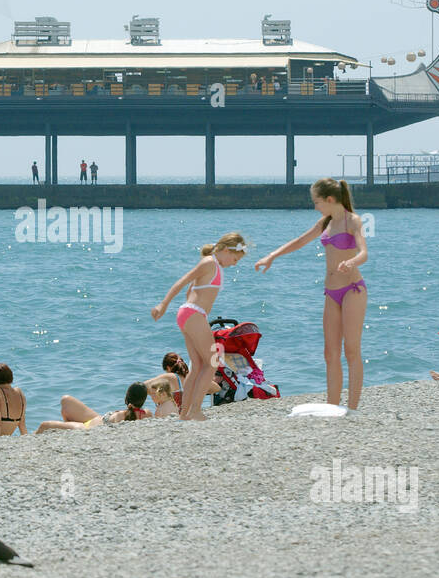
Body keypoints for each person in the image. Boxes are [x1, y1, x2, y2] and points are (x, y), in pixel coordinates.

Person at [256, 178, 368, 409]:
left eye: (316, 201)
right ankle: (333, 406)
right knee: (330, 352)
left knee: (351, 350)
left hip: (353, 290)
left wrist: (352, 261)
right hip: (331, 292)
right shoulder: (325, 221)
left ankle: (354, 408)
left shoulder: (352, 220)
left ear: (329, 199)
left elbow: (364, 252)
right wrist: (271, 256)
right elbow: (300, 241)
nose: (315, 206)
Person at [151, 232, 250, 420]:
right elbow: (183, 281)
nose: (235, 263)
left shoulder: (214, 265)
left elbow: (191, 289)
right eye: (235, 258)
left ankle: (185, 413)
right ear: (227, 250)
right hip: (193, 313)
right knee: (212, 361)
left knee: (197, 365)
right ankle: (196, 410)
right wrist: (163, 304)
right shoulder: (209, 263)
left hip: (191, 314)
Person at [34, 383, 151, 433]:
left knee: (44, 425)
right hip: (95, 418)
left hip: (86, 427)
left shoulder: (122, 415)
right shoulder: (146, 414)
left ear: (127, 396)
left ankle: (67, 430)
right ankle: (67, 427)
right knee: (66, 400)